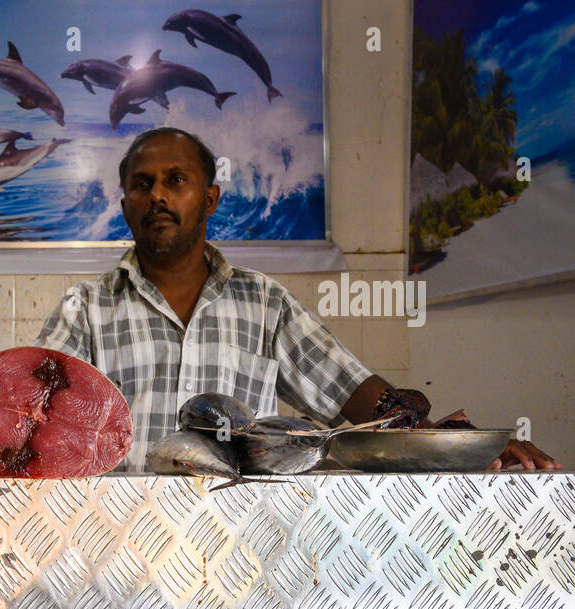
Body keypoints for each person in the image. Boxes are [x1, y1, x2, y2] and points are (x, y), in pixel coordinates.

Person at [36, 127, 559, 471]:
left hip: (243, 546)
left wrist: (463, 449)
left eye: (176, 180)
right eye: (141, 184)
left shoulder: (265, 303)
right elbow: (32, 422)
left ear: (211, 198)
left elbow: (353, 394)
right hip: (120, 538)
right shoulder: (84, 310)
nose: (157, 195)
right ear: (125, 205)